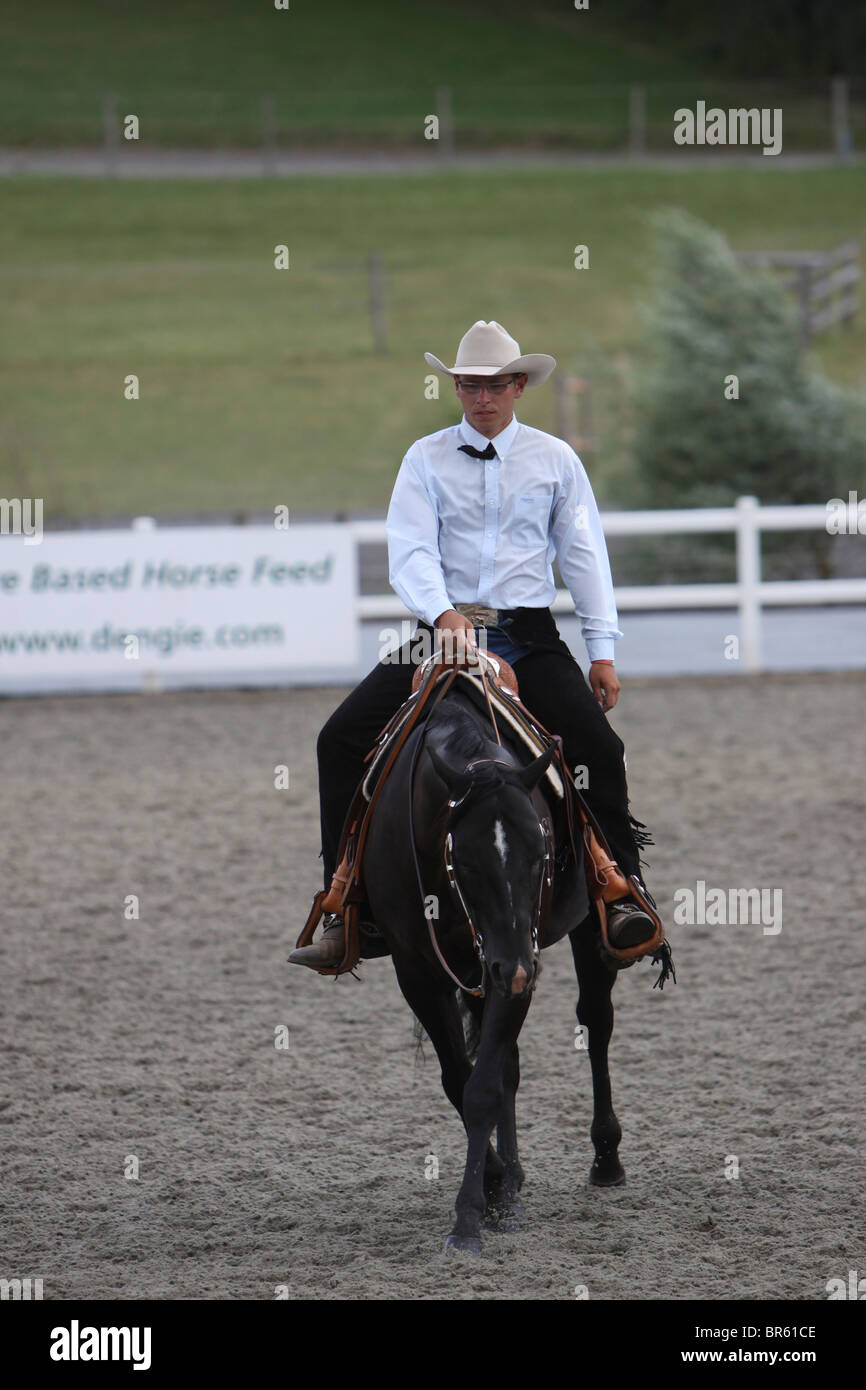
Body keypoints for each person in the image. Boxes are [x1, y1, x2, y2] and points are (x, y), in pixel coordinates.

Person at [290, 320, 658, 969]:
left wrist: (601, 650)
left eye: (492, 385)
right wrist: (444, 616)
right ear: (456, 387)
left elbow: (583, 556)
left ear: (518, 386)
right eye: (468, 385)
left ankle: (618, 890)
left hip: (526, 633)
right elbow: (409, 551)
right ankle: (345, 901)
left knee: (600, 747)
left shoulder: (555, 461)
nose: (480, 397)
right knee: (338, 739)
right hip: (441, 631)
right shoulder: (424, 459)